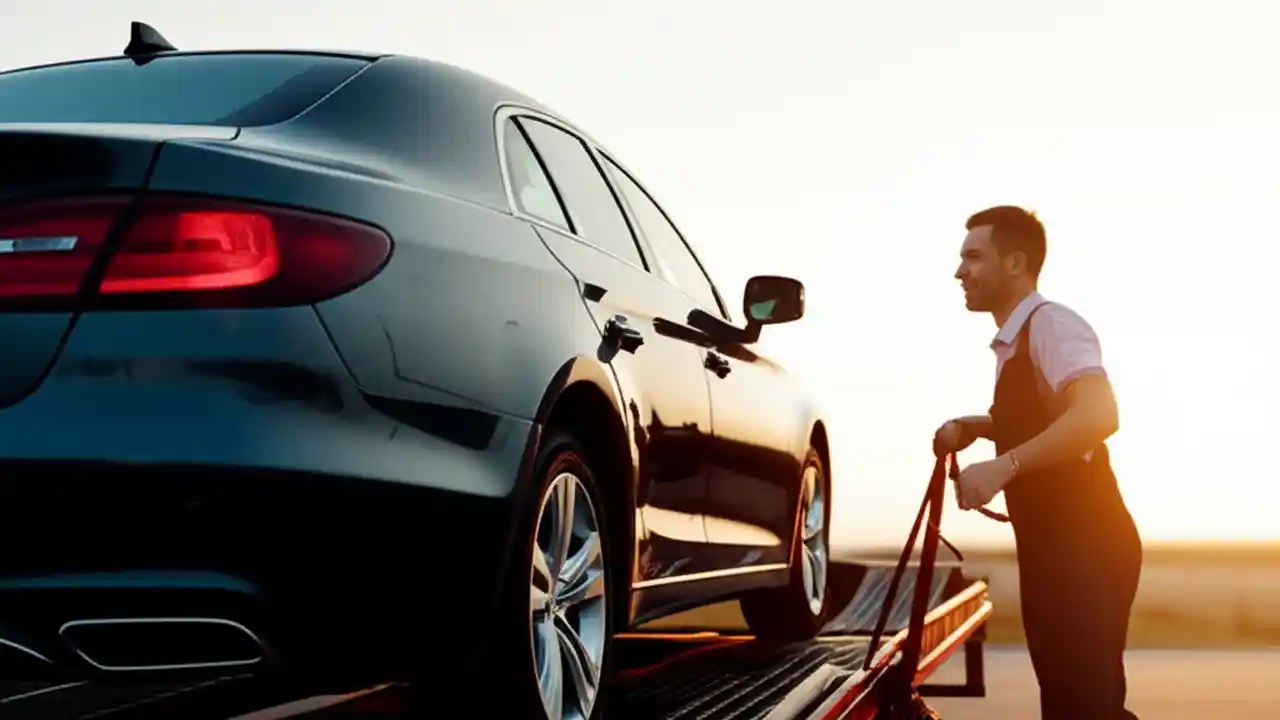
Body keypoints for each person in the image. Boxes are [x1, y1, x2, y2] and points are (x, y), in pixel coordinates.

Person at [934, 205, 1143, 719]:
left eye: (973, 257)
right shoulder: (1015, 344)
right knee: (1080, 706)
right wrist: (974, 428)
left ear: (1015, 263)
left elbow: (1097, 414)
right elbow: (1043, 418)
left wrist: (1000, 467)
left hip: (1086, 551)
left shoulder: (1052, 324)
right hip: (1056, 551)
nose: (960, 271)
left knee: (1083, 708)